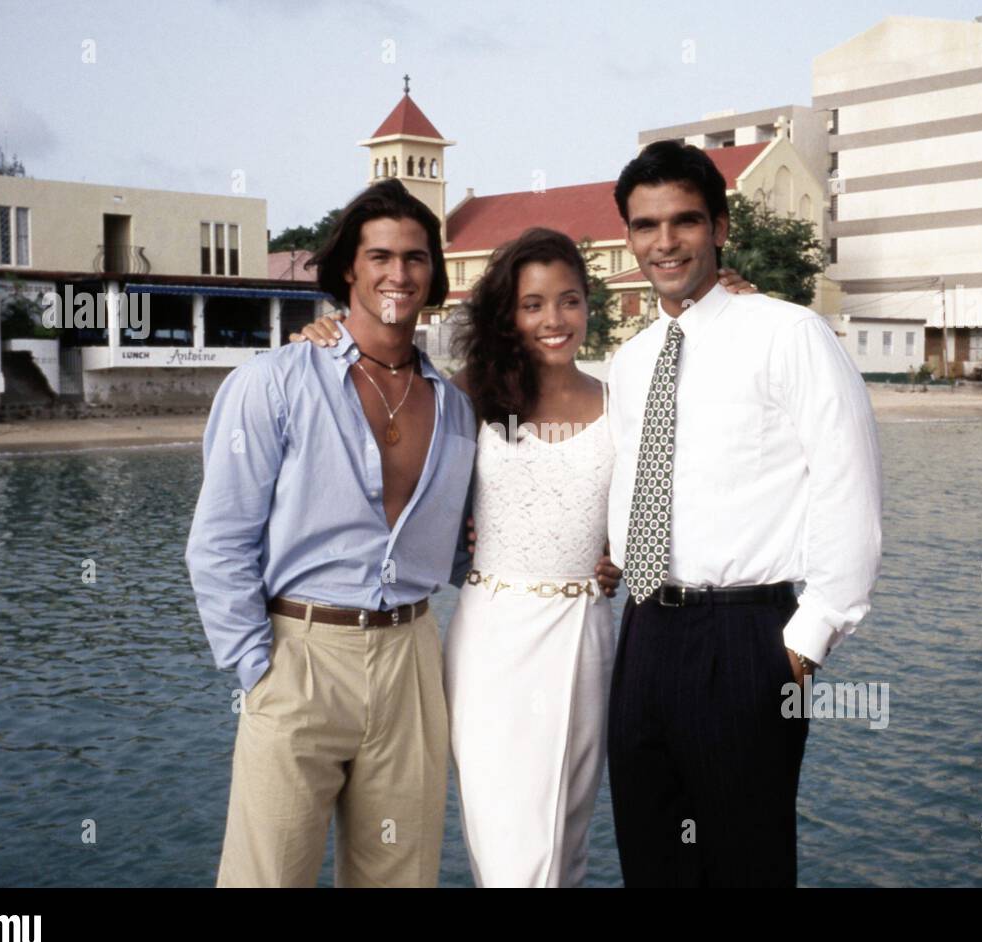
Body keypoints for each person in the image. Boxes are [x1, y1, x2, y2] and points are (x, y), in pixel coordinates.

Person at [292, 229, 756, 886]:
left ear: (588, 305)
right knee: (514, 854)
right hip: (494, 644)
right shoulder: (465, 396)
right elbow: (378, 416)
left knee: (565, 847)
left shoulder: (621, 397)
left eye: (568, 301)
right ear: (508, 315)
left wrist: (730, 300)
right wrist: (325, 337)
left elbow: (663, 486)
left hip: (588, 636)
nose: (553, 319)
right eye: (533, 305)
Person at [604, 140, 883, 887]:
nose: (665, 242)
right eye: (646, 225)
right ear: (629, 237)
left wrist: (805, 644)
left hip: (746, 640)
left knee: (745, 868)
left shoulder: (789, 334)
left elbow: (849, 485)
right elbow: (629, 481)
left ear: (720, 227)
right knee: (653, 864)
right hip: (643, 635)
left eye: (685, 221)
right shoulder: (630, 361)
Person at [185, 178, 478, 887]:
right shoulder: (275, 382)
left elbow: (466, 545)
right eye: (380, 256)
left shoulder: (455, 408)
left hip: (412, 658)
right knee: (266, 877)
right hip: (300, 656)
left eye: (415, 257)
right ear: (349, 267)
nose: (398, 273)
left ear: (433, 272)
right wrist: (258, 667)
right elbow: (219, 542)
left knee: (400, 878)